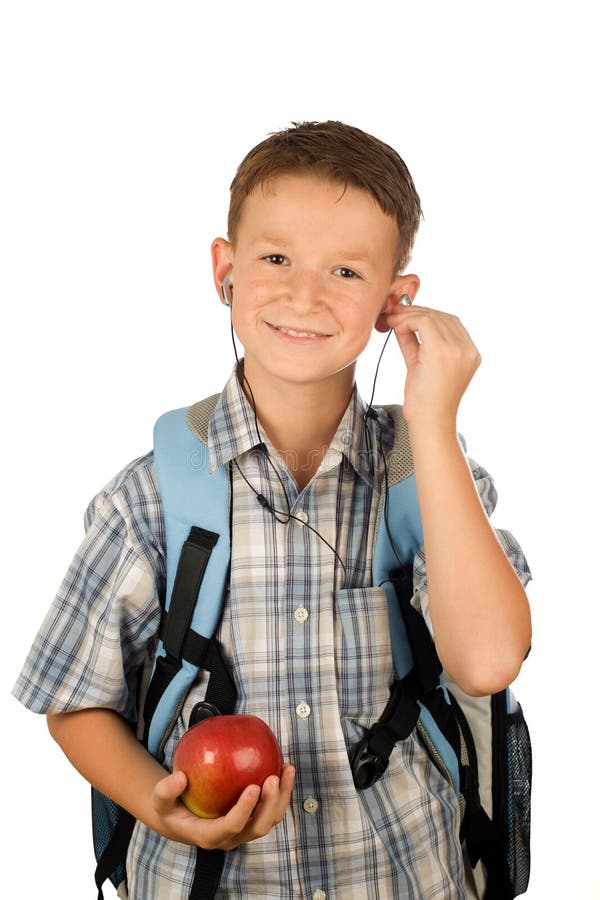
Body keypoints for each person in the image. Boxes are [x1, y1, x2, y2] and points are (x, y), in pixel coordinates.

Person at [13, 120, 532, 899]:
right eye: (277, 257)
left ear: (397, 302)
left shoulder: (427, 477)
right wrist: (165, 816)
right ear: (225, 270)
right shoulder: (152, 494)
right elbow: (74, 700)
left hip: (405, 874)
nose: (304, 294)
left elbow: (488, 661)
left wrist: (432, 422)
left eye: (347, 272)